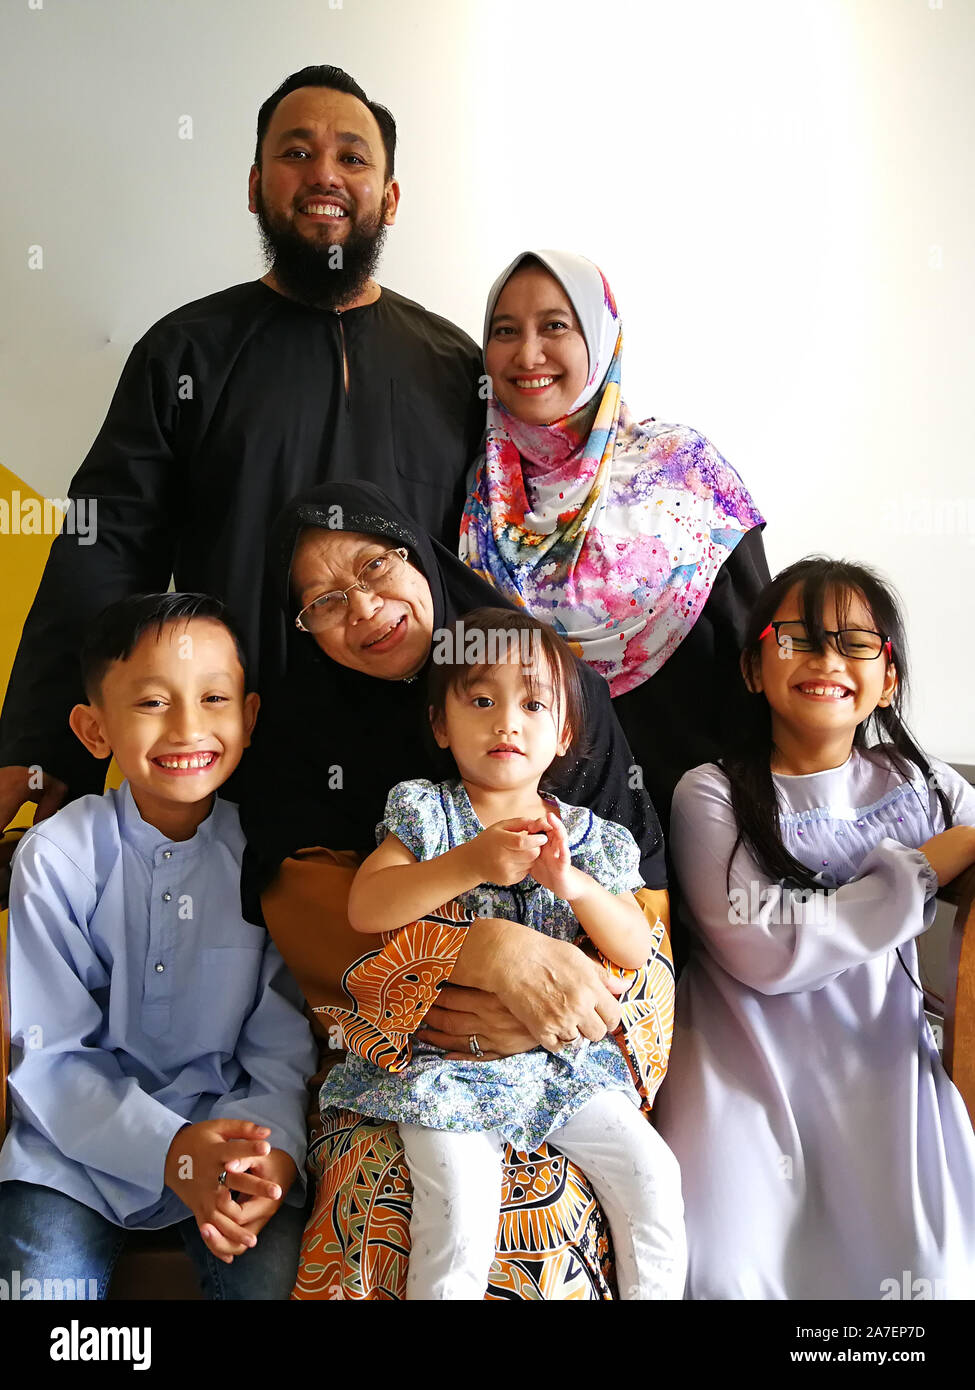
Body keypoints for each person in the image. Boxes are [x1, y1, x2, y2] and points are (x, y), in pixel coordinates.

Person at [0, 64, 484, 829]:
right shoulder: (185, 353)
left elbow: (491, 560)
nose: (323, 173)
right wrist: (40, 747)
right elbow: (102, 551)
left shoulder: (457, 366)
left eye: (352, 157)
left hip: (434, 780)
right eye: (296, 153)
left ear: (389, 199)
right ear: (256, 185)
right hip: (228, 780)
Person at [239, 481, 677, 1300]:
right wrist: (469, 952)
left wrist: (573, 1002)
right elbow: (311, 904)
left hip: (567, 1058)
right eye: (325, 600)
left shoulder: (551, 685)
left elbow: (641, 923)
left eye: (375, 565)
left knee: (585, 1212)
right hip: (409, 1060)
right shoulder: (310, 737)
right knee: (400, 1211)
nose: (364, 607)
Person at [318, 605, 687, 1300]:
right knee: (460, 1207)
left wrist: (571, 882)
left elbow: (635, 946)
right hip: (445, 1070)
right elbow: (368, 907)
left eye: (531, 703)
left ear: (564, 733)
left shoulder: (590, 836)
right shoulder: (426, 813)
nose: (506, 721)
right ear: (439, 724)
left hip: (561, 1068)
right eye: (480, 700)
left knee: (653, 1179)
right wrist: (471, 862)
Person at [652, 557, 975, 1299]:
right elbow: (768, 949)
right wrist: (919, 869)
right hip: (740, 1077)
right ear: (752, 668)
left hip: (884, 1069)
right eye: (797, 638)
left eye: (856, 643)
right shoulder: (712, 793)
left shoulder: (920, 782)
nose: (826, 659)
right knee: (727, 1273)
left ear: (887, 678)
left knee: (929, 1274)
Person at [0, 593, 318, 1300]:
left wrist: (273, 1160)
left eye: (213, 698)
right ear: (93, 729)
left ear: (250, 716)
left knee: (279, 1284)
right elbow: (50, 1052)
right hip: (69, 1153)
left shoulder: (267, 856)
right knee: (39, 1290)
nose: (188, 728)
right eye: (151, 703)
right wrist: (172, 1150)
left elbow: (277, 1047)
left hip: (232, 1138)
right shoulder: (57, 856)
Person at [460, 249, 769, 847]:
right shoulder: (478, 498)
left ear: (600, 341)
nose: (528, 355)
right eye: (505, 331)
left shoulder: (685, 472)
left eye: (555, 326)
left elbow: (759, 650)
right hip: (543, 842)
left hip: (704, 819)